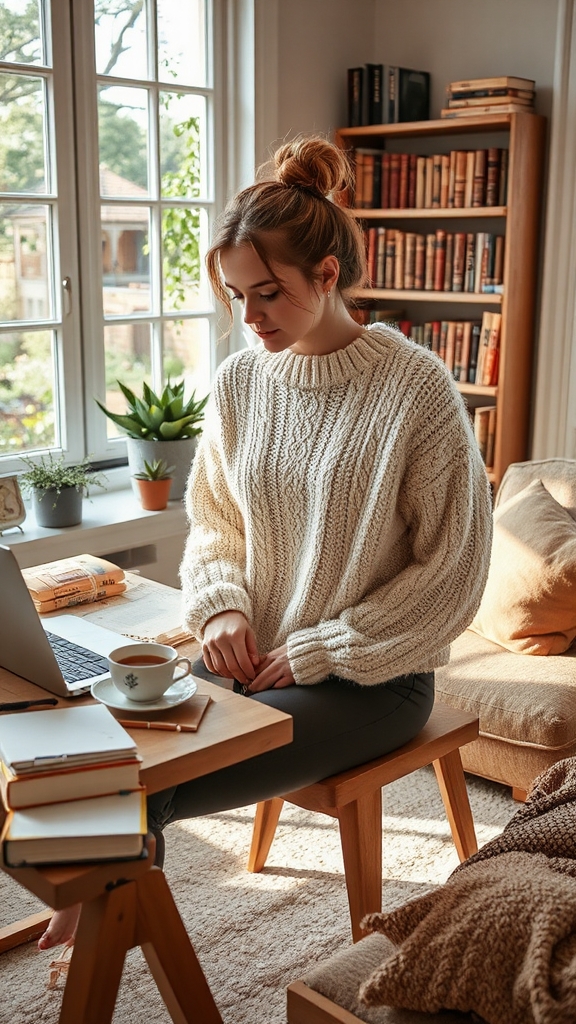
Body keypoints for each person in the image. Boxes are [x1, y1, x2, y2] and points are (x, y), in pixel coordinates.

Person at [38, 135, 492, 951]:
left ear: (327, 274)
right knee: (99, 731)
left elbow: (452, 570)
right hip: (251, 658)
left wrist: (325, 647)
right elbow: (216, 521)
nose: (249, 318)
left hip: (372, 676)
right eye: (235, 296)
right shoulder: (240, 381)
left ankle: (102, 898)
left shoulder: (415, 388)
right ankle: (102, 881)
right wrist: (220, 607)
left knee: (150, 782)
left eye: (269, 293)